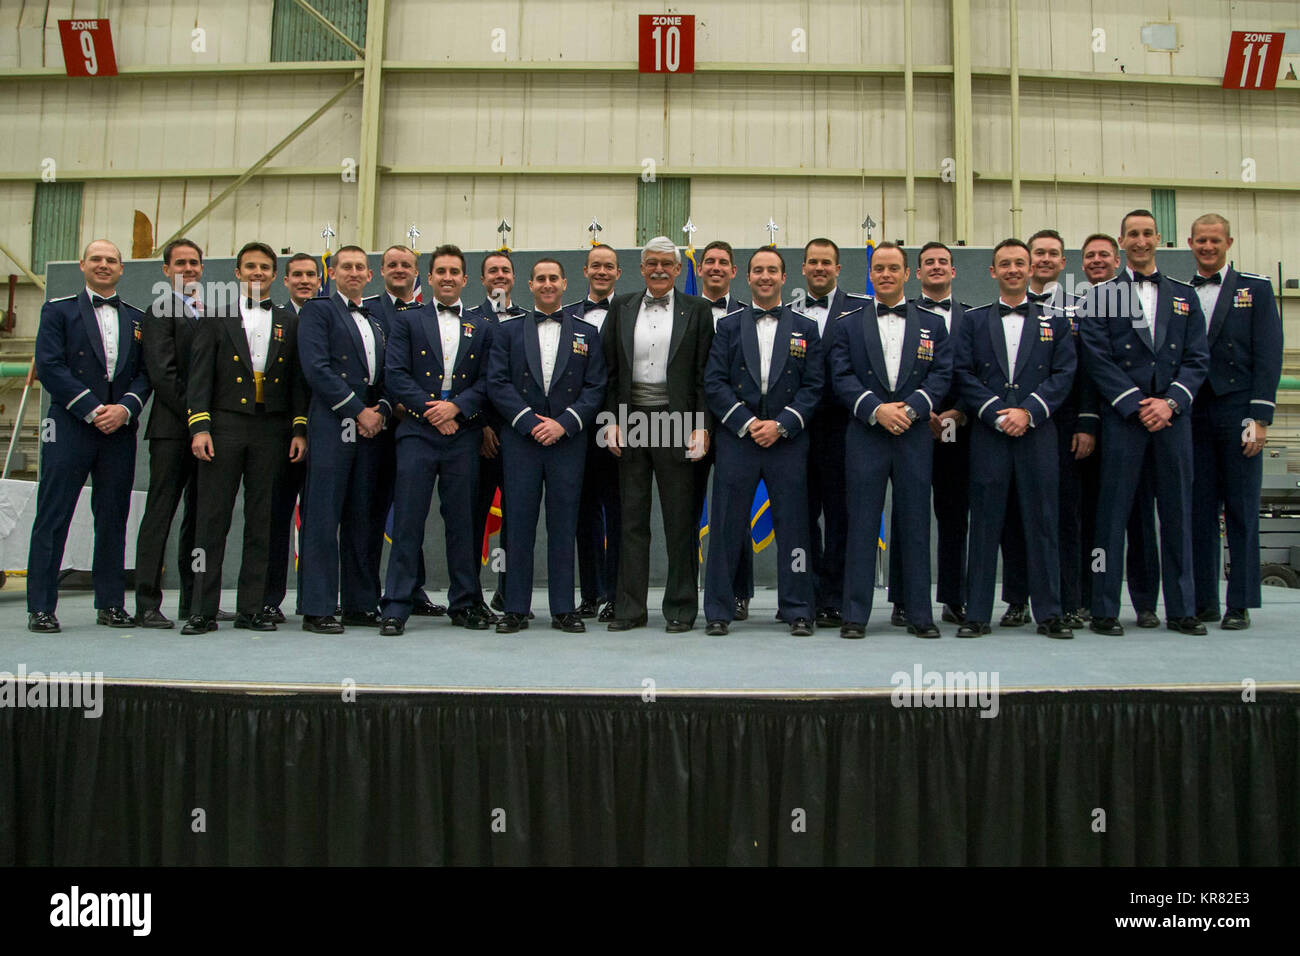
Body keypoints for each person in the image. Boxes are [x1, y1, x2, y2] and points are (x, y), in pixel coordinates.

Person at [1079, 209, 1209, 636]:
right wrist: (1137, 404)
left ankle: (1183, 608)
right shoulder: (1100, 295)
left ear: (1159, 239)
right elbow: (1097, 359)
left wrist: (1170, 403)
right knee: (1111, 517)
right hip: (1125, 419)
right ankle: (1104, 609)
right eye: (1132, 234)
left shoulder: (1184, 295)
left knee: (1177, 514)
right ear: (1122, 242)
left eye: (1147, 233)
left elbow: (1197, 359)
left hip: (1173, 420)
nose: (1140, 240)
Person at [953, 238, 1076, 639]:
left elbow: (1063, 375)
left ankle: (1050, 613)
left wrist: (1029, 412)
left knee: (1042, 523)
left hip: (1037, 434)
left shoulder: (1056, 322)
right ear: (992, 271)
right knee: (985, 524)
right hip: (989, 435)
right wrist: (993, 412)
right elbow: (963, 373)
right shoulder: (971, 321)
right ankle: (977, 615)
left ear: (1031, 269)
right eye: (1004, 263)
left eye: (1019, 263)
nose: (1012, 269)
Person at [27, 239, 152, 633]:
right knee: (54, 516)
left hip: (119, 431)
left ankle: (111, 603)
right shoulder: (57, 310)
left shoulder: (136, 318)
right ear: (82, 264)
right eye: (96, 259)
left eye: (111, 260)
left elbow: (146, 374)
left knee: (113, 518)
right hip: (70, 427)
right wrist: (93, 409)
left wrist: (125, 409)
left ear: (121, 269)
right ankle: (41, 607)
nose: (103, 265)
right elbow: (49, 366)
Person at [184, 241, 308, 634]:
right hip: (223, 426)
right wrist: (199, 426)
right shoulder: (215, 317)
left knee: (263, 520)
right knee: (211, 520)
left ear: (275, 275)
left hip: (271, 429)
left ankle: (251, 608)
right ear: (237, 273)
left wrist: (299, 429)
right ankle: (202, 609)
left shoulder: (291, 321)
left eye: (265, 267)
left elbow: (297, 384)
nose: (258, 273)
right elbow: (199, 377)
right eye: (250, 267)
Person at [831, 241, 952, 639]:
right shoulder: (847, 323)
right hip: (866, 434)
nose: (884, 274)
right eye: (878, 268)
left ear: (907, 274)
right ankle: (854, 615)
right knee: (861, 524)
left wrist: (912, 409)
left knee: (916, 524)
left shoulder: (934, 324)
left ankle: (920, 615)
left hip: (914, 435)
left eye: (892, 268)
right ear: (870, 274)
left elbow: (942, 375)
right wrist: (877, 409)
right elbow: (841, 376)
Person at [378, 244, 498, 635]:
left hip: (462, 435)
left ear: (465, 279)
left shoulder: (483, 326)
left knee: (463, 522)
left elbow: (488, 381)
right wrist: (433, 411)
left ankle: (465, 602)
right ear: (428, 278)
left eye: (454, 272)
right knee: (409, 518)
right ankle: (396, 604)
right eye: (440, 271)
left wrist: (457, 408)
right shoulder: (407, 321)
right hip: (416, 432)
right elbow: (395, 375)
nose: (447, 277)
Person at [703, 247, 822, 635]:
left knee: (795, 529)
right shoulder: (728, 325)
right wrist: (750, 422)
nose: (765, 276)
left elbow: (814, 386)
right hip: (739, 439)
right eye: (758, 271)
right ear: (747, 277)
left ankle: (798, 608)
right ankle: (719, 611)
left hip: (788, 441)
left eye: (772, 270)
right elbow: (715, 382)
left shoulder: (806, 327)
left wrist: (783, 424)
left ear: (784, 278)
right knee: (725, 527)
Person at [601, 236, 714, 632]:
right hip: (630, 420)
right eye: (652, 263)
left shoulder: (698, 310)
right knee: (631, 521)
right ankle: (629, 609)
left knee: (680, 521)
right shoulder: (621, 306)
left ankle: (681, 608)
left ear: (679, 269)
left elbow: (702, 377)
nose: (660, 269)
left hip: (677, 422)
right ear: (642, 267)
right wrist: (611, 421)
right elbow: (610, 372)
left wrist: (702, 428)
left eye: (667, 263)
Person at [488, 258, 606, 633]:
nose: (547, 284)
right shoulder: (506, 332)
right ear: (531, 284)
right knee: (519, 524)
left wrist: (563, 424)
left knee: (564, 525)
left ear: (565, 282)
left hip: (567, 441)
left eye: (554, 278)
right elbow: (497, 382)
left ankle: (563, 608)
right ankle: (515, 608)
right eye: (540, 278)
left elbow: (595, 387)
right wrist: (528, 421)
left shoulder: (587, 333)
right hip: (521, 440)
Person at [1187, 213, 1282, 630]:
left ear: (1229, 242)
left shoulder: (1256, 288)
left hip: (1239, 409)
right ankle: (1205, 601)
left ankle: (1239, 602)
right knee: (1198, 510)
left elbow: (1269, 353)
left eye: (1215, 240)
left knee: (1241, 508)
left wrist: (1260, 417)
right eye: (1201, 241)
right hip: (1193, 413)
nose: (1208, 247)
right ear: (1190, 243)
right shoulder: (1182, 292)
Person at [297, 245, 393, 634]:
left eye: (360, 267)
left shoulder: (377, 320)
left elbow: (389, 375)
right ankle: (318, 606)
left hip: (373, 429)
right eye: (346, 267)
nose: (353, 272)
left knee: (364, 519)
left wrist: (382, 411)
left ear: (370, 276)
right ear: (332, 273)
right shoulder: (318, 311)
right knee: (323, 516)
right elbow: (316, 369)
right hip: (334, 423)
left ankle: (359, 603)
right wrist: (358, 411)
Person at [1076, 234, 1161, 625]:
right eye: (1089, 256)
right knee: (1094, 521)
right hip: (1091, 427)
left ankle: (1145, 602)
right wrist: (1089, 423)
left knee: (1140, 518)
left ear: (1117, 259)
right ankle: (1092, 600)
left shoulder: (1151, 299)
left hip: (1138, 421)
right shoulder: (1077, 305)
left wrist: (1144, 406)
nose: (1097, 261)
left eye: (1104, 255)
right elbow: (1090, 369)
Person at [887, 240, 970, 625]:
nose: (936, 267)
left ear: (953, 271)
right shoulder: (898, 314)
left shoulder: (972, 318)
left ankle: (954, 598)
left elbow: (979, 371)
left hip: (957, 427)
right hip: (908, 425)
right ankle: (904, 599)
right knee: (908, 514)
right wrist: (919, 411)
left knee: (953, 515)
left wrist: (957, 413)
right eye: (928, 263)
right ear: (916, 273)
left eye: (944, 262)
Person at [364, 244, 445, 618]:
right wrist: (384, 405)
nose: (399, 270)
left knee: (412, 512)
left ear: (418, 273)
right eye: (392, 264)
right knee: (371, 513)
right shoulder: (365, 310)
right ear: (380, 270)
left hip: (420, 425)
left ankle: (413, 590)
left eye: (407, 265)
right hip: (374, 427)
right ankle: (364, 595)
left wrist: (415, 407)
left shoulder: (427, 314)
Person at [134, 238, 205, 628]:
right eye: (180, 263)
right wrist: (196, 417)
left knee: (198, 518)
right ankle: (146, 601)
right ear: (166, 270)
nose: (188, 268)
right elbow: (163, 373)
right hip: (172, 431)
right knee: (160, 515)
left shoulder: (210, 313)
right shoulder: (159, 312)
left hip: (205, 434)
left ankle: (194, 601)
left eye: (194, 262)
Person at [800, 237, 860, 627]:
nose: (820, 268)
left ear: (838, 268)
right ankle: (804, 596)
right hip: (798, 431)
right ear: (803, 268)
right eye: (813, 262)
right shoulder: (787, 312)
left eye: (827, 262)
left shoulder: (860, 310)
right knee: (801, 519)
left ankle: (835, 597)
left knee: (841, 517)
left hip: (845, 430)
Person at [694, 239, 754, 621]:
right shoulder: (678, 312)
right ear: (699, 269)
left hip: (738, 426)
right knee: (685, 512)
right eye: (709, 261)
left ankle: (738, 592)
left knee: (736, 512)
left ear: (734, 272)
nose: (715, 267)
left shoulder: (750, 315)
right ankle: (685, 596)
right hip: (689, 426)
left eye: (723, 263)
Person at [262, 252, 321, 621]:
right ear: (285, 280)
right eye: (296, 274)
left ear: (319, 280)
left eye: (310, 275)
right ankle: (269, 598)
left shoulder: (332, 318)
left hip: (331, 433)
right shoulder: (274, 320)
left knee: (319, 520)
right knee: (275, 516)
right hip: (281, 435)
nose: (303, 280)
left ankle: (314, 600)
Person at [566, 243, 622, 622]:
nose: (602, 272)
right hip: (577, 431)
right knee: (584, 515)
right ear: (585, 271)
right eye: (595, 266)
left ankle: (618, 595)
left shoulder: (634, 313)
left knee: (620, 515)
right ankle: (590, 594)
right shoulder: (567, 316)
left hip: (621, 429)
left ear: (619, 273)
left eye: (609, 267)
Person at [473, 250, 528, 611]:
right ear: (481, 279)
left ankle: (507, 591)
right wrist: (481, 427)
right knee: (474, 518)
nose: (499, 275)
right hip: (476, 438)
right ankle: (470, 596)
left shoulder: (528, 320)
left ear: (514, 277)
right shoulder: (469, 320)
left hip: (519, 436)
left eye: (505, 270)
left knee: (515, 521)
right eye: (492, 270)